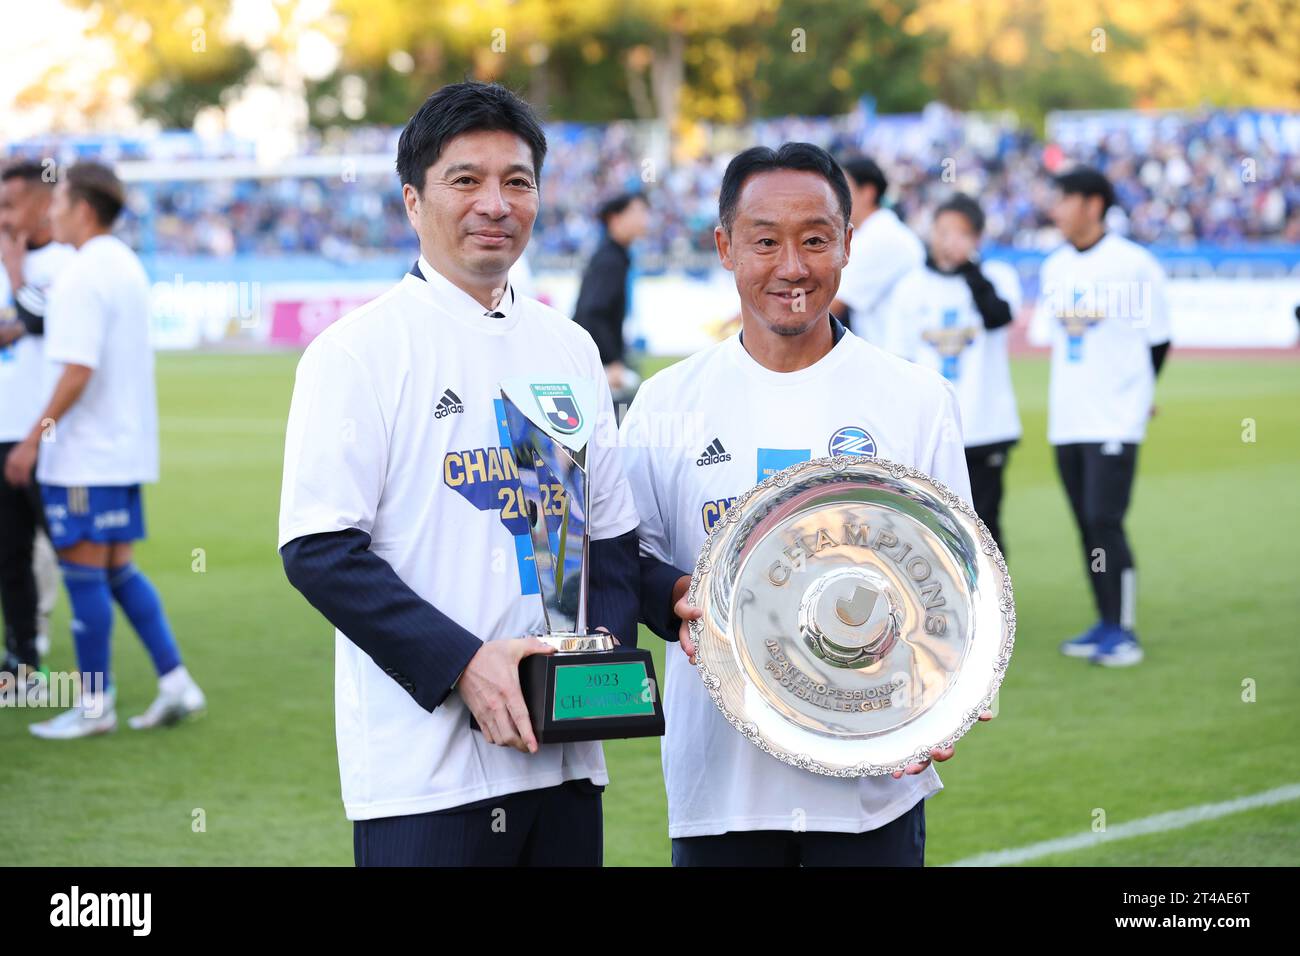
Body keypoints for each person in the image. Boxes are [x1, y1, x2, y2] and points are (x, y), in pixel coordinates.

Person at [278, 81, 643, 867]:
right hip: (425, 779)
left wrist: (598, 661)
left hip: (565, 762)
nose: (496, 203)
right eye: (465, 180)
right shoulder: (357, 353)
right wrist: (467, 667)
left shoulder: (569, 347)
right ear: (413, 201)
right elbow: (319, 550)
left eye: (517, 181)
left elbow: (608, 537)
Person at [621, 142, 992, 867]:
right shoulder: (667, 402)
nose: (792, 267)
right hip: (720, 794)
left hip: (872, 790)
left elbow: (957, 580)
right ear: (725, 246)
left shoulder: (915, 399)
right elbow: (624, 560)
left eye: (815, 239)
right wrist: (677, 596)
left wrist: (944, 697)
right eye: (766, 241)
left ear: (848, 246)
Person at [3, 162, 206, 736]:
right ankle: (175, 683)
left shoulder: (83, 274)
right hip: (123, 449)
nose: (52, 211)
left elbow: (76, 371)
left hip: (87, 454)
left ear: (84, 209)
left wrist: (29, 441)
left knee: (84, 576)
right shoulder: (123, 265)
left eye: (60, 201)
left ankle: (94, 707)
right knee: (118, 572)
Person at [1037, 167, 1171, 667]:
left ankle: (1124, 630)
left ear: (1093, 204)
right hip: (1067, 416)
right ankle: (1103, 621)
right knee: (1084, 525)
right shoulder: (1054, 267)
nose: (1056, 209)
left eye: (1064, 199)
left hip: (1114, 417)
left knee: (1104, 520)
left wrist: (1140, 394)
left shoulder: (1132, 264)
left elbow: (1158, 339)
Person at [883, 193, 1022, 552]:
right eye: (941, 231)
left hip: (986, 425)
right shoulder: (911, 286)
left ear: (976, 238)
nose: (947, 240)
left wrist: (970, 270)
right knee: (933, 529)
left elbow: (999, 316)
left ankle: (995, 606)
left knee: (985, 526)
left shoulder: (996, 276)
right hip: (930, 428)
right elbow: (899, 360)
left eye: (959, 233)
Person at [0, 161, 73, 698]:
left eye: (9, 205)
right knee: (10, 555)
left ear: (42, 204)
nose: (2, 216)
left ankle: (96, 680)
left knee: (78, 556)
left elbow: (45, 322)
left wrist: (17, 273)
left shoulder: (68, 261)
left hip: (53, 435)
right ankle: (24, 665)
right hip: (5, 433)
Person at [829, 156, 924, 345]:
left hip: (897, 355)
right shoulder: (876, 232)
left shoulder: (881, 238)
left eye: (842, 189)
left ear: (867, 192)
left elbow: (832, 306)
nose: (834, 198)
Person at [572, 192, 650, 399]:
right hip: (598, 365)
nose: (644, 219)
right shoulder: (610, 260)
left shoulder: (615, 255)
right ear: (615, 219)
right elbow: (592, 312)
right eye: (637, 212)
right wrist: (612, 361)